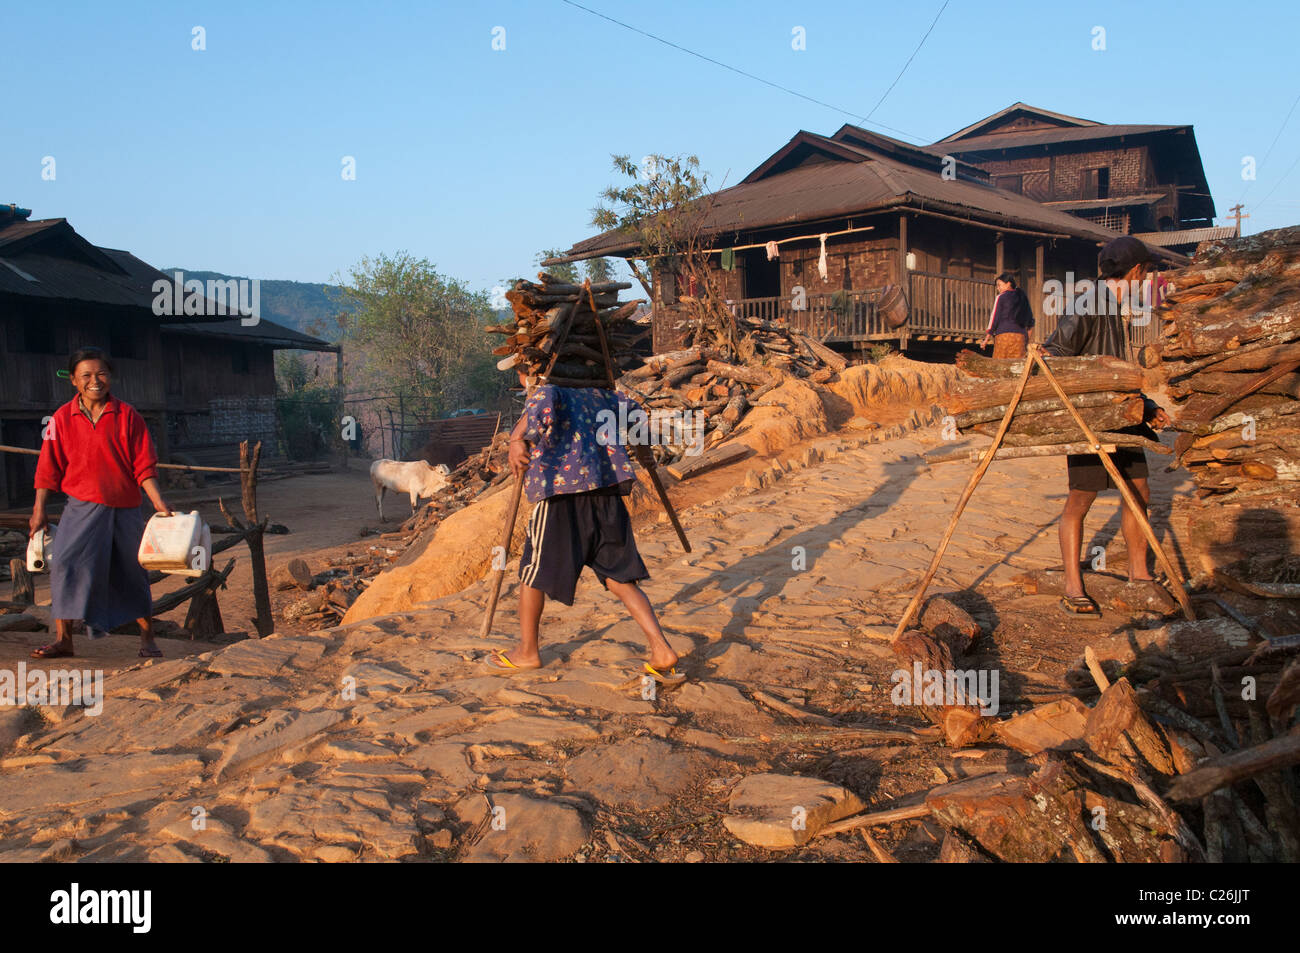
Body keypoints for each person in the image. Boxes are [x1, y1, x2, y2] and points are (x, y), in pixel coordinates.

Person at [486, 373, 684, 684]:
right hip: (607, 496)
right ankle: (661, 650)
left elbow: (534, 418)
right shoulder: (607, 395)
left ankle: (527, 651)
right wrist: (644, 454)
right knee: (620, 577)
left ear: (532, 371)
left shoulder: (549, 392)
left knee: (532, 571)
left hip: (562, 496)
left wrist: (514, 440)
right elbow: (638, 423)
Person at [1042, 237, 1171, 615]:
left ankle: (1138, 573)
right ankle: (1072, 585)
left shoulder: (1114, 305)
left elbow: (1117, 368)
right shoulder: (1089, 301)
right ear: (1135, 271)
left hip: (1122, 416)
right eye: (1145, 273)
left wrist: (1146, 407)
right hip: (1090, 419)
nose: (1145, 280)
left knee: (1139, 491)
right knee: (1081, 499)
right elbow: (1056, 352)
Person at [29, 348, 172, 658]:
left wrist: (158, 502)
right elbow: (47, 468)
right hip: (80, 507)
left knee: (132, 572)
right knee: (65, 565)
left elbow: (144, 465)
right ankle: (64, 640)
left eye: (101, 373)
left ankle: (148, 640)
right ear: (73, 381)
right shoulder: (61, 419)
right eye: (86, 375)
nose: (95, 380)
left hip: (125, 507)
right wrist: (39, 509)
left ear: (111, 376)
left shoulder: (128, 416)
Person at [980, 272, 1035, 358]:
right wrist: (1025, 341)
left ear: (1008, 284)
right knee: (1017, 368)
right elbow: (1031, 323)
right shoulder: (1022, 297)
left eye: (999, 285)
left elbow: (994, 318)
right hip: (1020, 339)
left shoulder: (1001, 297)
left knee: (999, 366)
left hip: (1003, 337)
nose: (998, 288)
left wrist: (986, 340)